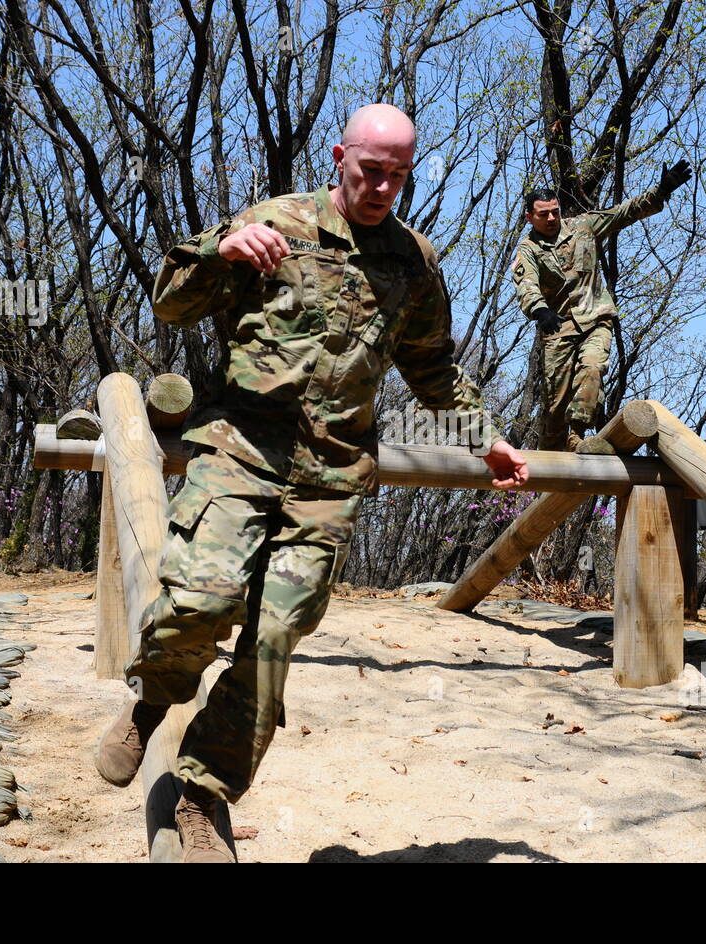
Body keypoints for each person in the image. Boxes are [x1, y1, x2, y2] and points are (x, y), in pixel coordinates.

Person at [94, 103, 530, 861]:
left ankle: (202, 792)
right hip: (240, 450)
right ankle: (155, 697)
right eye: (371, 170)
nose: (384, 187)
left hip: (328, 478)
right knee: (201, 600)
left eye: (399, 175)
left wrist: (485, 437)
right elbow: (171, 302)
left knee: (274, 638)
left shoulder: (412, 263)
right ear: (340, 156)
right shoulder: (275, 222)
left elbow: (432, 368)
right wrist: (220, 249)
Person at [511, 162, 693, 451]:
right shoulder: (528, 250)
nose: (551, 218)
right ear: (529, 217)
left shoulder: (583, 226)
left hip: (596, 318)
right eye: (543, 214)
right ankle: (550, 456)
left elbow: (624, 212)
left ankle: (577, 435)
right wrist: (539, 309)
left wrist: (662, 190)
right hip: (559, 327)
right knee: (555, 403)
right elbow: (526, 283)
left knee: (593, 367)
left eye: (555, 211)